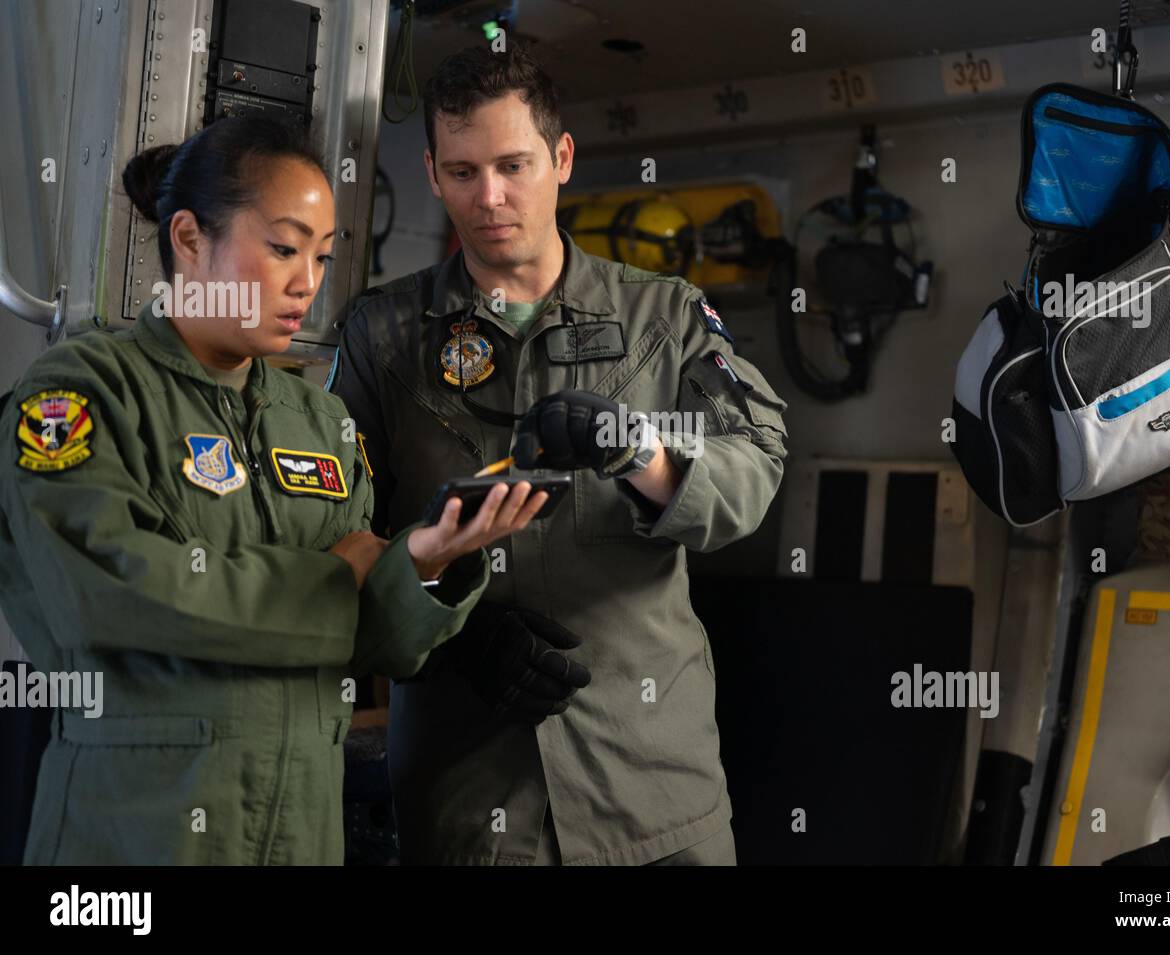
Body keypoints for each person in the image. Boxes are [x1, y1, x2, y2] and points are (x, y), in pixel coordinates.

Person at [0, 116, 548, 865]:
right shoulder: (84, 394)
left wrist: (419, 564)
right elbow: (105, 595)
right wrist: (336, 578)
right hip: (138, 834)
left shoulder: (318, 420)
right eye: (284, 248)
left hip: (301, 831)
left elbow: (369, 643)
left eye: (322, 256)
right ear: (189, 239)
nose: (308, 283)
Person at [330, 44, 788, 865]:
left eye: (514, 164)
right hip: (470, 800)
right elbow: (334, 538)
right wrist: (451, 632)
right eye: (464, 171)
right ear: (431, 174)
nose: (491, 196)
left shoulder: (663, 315)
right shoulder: (382, 337)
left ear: (562, 157)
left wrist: (638, 451)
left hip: (652, 795)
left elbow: (754, 463)